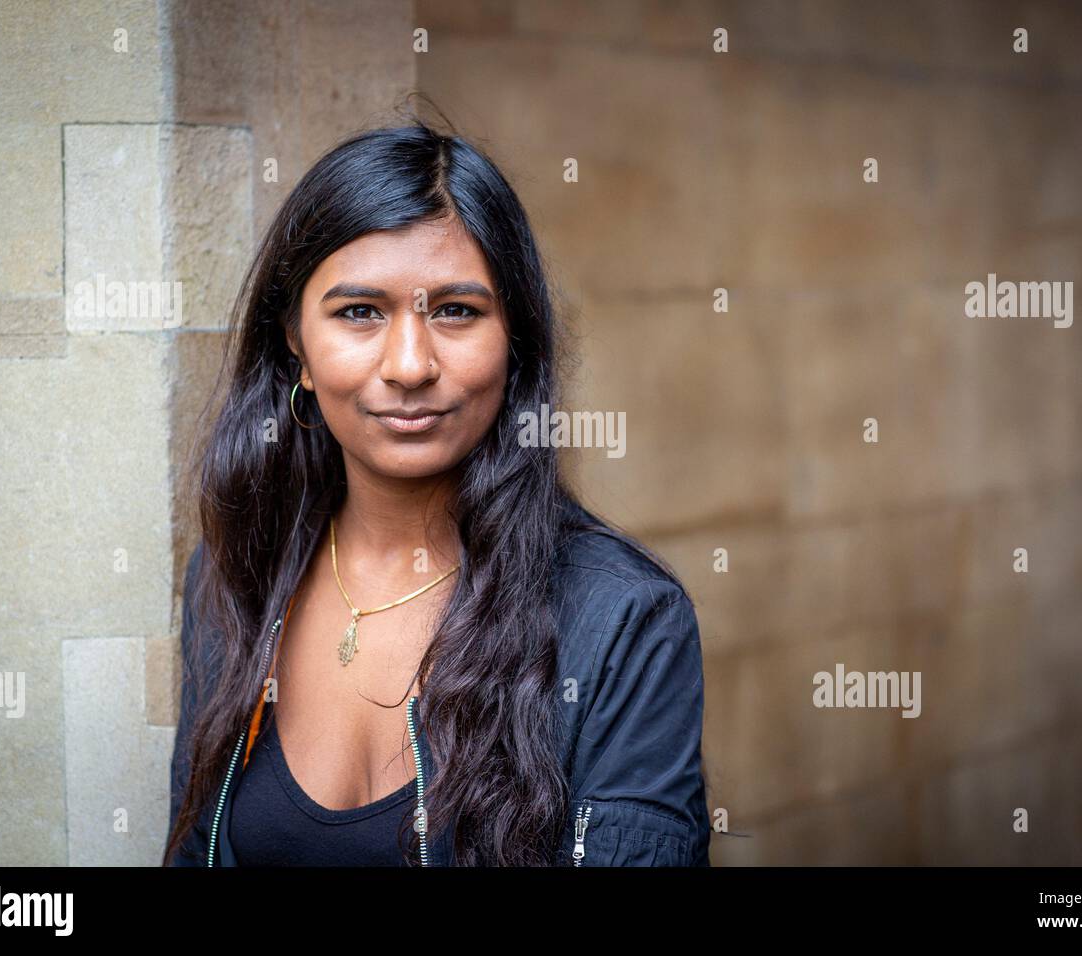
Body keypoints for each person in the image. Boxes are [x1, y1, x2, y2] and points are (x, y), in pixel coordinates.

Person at [162, 118, 710, 866]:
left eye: (456, 310)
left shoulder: (620, 619)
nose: (411, 364)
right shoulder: (235, 578)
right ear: (296, 343)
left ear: (513, 337)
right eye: (359, 312)